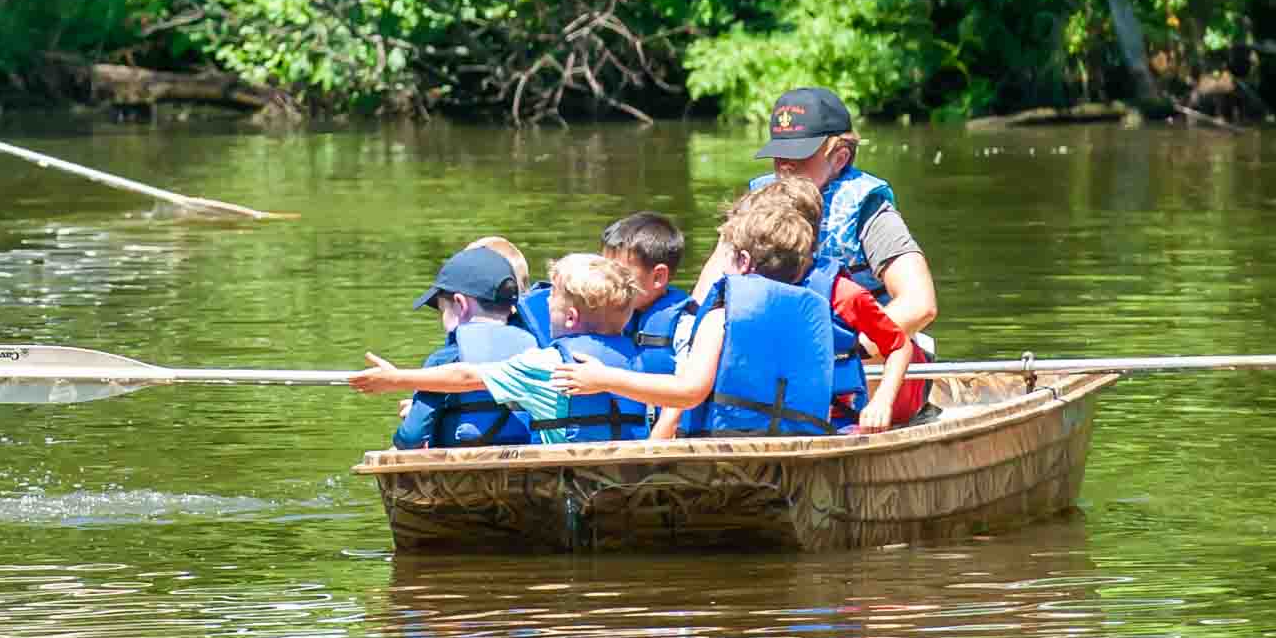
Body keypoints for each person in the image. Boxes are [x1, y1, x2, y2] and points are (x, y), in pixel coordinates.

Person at [558, 182, 913, 438]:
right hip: (789, 435)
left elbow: (898, 343)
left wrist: (882, 399)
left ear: (743, 259)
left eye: (726, 251)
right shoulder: (744, 305)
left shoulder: (834, 294)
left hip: (826, 427)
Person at [698, 86, 937, 347]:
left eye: (800, 154)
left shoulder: (868, 209)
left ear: (840, 157)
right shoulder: (757, 201)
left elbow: (920, 304)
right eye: (779, 152)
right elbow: (705, 293)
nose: (785, 164)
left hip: (856, 353)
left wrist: (841, 353)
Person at [352, 253, 655, 445]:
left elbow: (465, 377)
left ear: (572, 318)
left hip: (569, 488)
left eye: (552, 299)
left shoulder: (548, 364)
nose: (544, 303)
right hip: (622, 485)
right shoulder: (640, 363)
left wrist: (396, 379)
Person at [361, 244, 538, 450]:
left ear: (460, 305)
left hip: (461, 472)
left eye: (441, 310)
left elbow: (412, 436)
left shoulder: (444, 359)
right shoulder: (538, 350)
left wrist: (409, 429)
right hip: (531, 467)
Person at [604, 210, 692, 359]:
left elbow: (689, 381)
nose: (606, 281)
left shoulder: (685, 328)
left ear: (658, 277)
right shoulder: (602, 314)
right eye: (604, 270)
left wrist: (608, 378)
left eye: (619, 273)